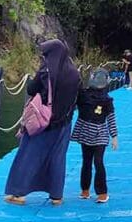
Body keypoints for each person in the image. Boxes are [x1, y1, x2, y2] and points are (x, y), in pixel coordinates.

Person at [4, 39, 80, 206]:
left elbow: (31, 89)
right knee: (58, 158)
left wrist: (36, 76)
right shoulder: (74, 73)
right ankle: (56, 195)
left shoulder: (47, 71)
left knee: (28, 155)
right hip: (64, 123)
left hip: (43, 122)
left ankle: (19, 194)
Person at [72, 69, 118, 203]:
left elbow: (110, 118)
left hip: (100, 133)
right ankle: (85, 190)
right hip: (86, 132)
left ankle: (102, 192)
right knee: (87, 161)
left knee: (97, 161)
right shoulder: (83, 95)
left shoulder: (106, 100)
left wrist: (114, 136)